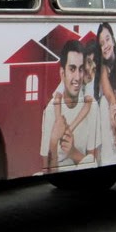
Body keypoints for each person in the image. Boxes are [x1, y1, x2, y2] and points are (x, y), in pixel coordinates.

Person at [41, 40, 99, 171]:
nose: (89, 71)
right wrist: (59, 124)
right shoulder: (61, 91)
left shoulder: (89, 88)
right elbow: (57, 99)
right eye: (88, 64)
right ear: (63, 73)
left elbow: (89, 104)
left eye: (94, 69)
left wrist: (69, 129)